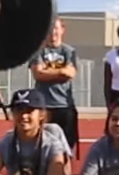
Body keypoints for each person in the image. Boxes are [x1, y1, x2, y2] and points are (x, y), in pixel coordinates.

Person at [28, 19, 80, 153]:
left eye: (56, 28)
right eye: (50, 29)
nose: (53, 32)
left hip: (65, 105)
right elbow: (38, 74)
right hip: (44, 105)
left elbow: (70, 73)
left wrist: (48, 70)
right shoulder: (38, 51)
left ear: (62, 30)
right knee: (41, 142)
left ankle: (64, 171)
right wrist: (61, 71)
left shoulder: (69, 51)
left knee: (67, 145)